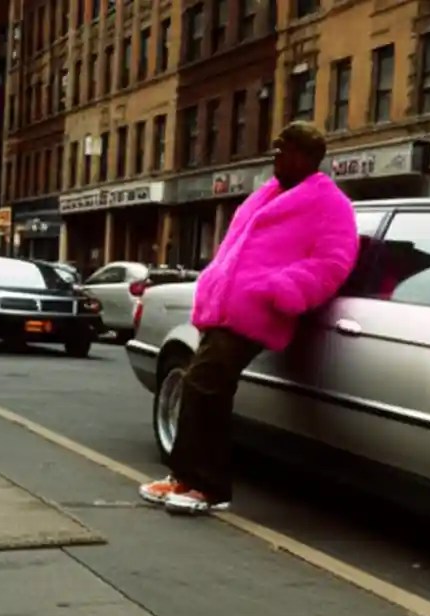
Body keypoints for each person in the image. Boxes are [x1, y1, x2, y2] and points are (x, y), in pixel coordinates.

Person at [138, 122, 359, 515]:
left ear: (305, 157)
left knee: (206, 386)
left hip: (258, 311)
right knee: (197, 387)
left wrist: (285, 288)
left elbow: (334, 262)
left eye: (282, 151)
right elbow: (232, 251)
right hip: (225, 309)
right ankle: (186, 478)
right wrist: (213, 281)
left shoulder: (330, 204)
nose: (274, 158)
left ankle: (210, 487)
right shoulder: (265, 196)